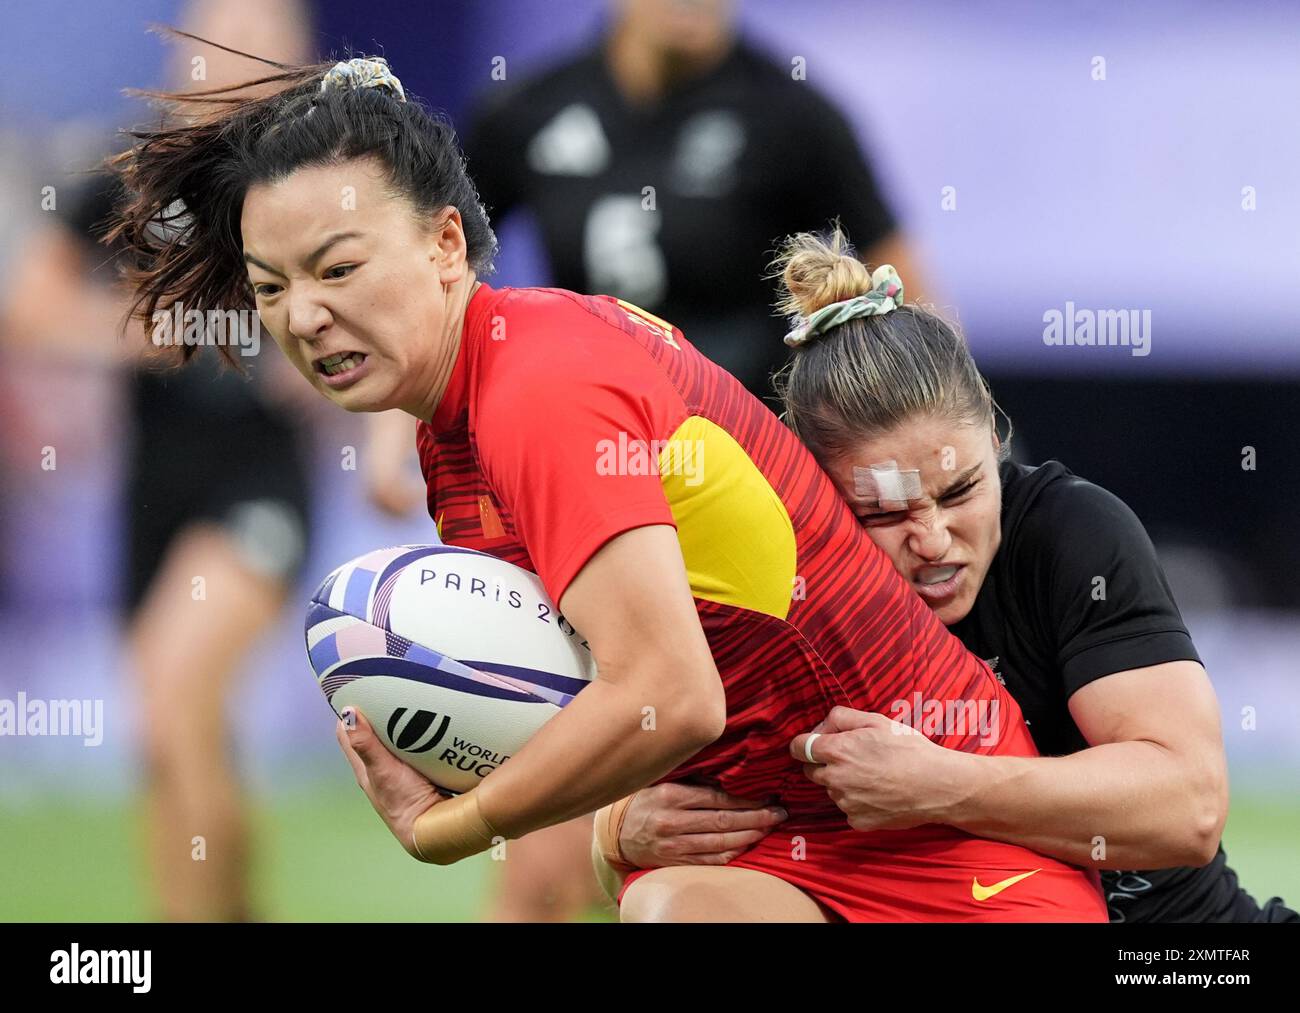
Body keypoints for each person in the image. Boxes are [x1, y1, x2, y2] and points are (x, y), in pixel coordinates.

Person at [107, 45, 1105, 921]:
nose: (305, 315)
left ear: (446, 245)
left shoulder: (537, 388)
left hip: (961, 863)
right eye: (273, 287)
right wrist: (614, 818)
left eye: (338, 267)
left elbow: (668, 695)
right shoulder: (464, 414)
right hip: (791, 843)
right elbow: (630, 696)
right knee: (654, 898)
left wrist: (451, 823)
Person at [593, 229, 1298, 924]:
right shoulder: (770, 575)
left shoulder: (1070, 534)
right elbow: (640, 747)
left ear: (996, 441)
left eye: (960, 490)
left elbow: (1190, 807)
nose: (933, 540)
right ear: (812, 497)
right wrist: (616, 831)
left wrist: (940, 784)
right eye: (883, 510)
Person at [462, 0, 926, 401]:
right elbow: (441, 258)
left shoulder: (795, 115)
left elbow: (901, 286)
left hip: (757, 444)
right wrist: (404, 423)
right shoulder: (525, 111)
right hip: (589, 429)